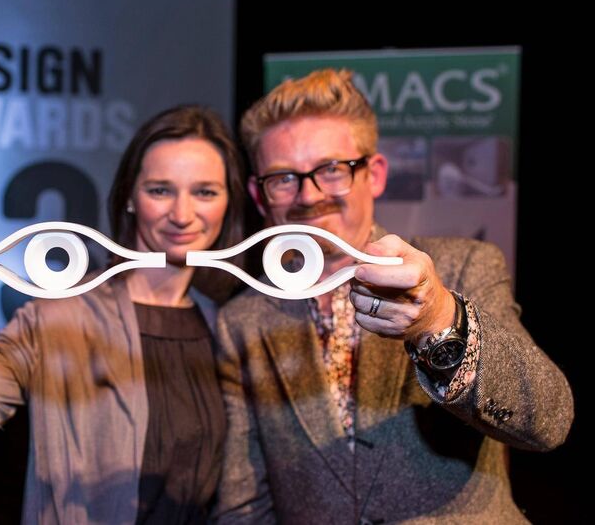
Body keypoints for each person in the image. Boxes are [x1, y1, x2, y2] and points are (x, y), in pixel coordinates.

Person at [213, 69, 573, 523]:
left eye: (332, 169)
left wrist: (439, 318)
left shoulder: (462, 266)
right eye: (283, 177)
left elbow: (548, 420)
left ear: (375, 174)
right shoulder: (242, 321)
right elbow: (244, 503)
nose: (309, 195)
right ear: (258, 194)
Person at [0, 104, 246, 524]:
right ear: (130, 197)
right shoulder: (56, 317)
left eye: (205, 192)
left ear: (229, 202)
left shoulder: (228, 328)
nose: (182, 215)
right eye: (160, 190)